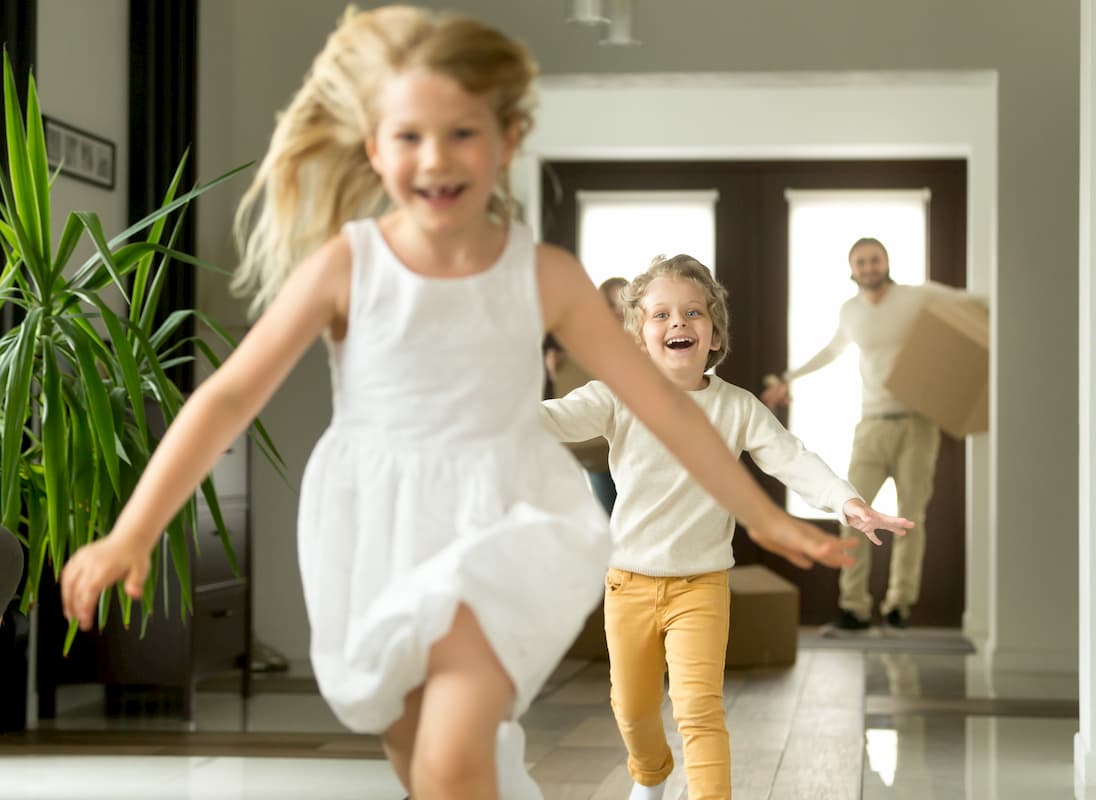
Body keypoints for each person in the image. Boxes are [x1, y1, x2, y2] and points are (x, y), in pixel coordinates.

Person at [58, 7, 858, 798]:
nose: (435, 157)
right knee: (431, 773)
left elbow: (667, 408)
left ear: (507, 140)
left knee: (450, 759)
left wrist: (763, 517)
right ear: (375, 147)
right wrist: (134, 531)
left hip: (500, 526)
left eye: (462, 134)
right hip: (381, 532)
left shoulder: (543, 274)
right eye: (409, 136)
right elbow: (227, 396)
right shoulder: (349, 265)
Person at [541, 255, 912, 800]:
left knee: (699, 710)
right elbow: (558, 418)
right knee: (632, 709)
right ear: (638, 337)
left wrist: (847, 501)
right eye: (660, 315)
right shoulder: (618, 395)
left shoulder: (737, 408)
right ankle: (651, 776)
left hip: (702, 586)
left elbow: (791, 457)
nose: (678, 324)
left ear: (714, 333)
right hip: (628, 583)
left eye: (693, 312)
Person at [761, 236, 980, 633]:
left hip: (917, 424)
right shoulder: (850, 311)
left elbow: (970, 304)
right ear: (852, 269)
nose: (868, 267)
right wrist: (788, 379)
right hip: (871, 425)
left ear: (886, 262)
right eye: (861, 262)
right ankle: (855, 607)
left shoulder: (916, 297)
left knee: (911, 518)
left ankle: (899, 606)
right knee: (853, 511)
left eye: (874, 260)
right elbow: (830, 352)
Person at [543, 276, 628, 515]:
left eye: (623, 302)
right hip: (597, 447)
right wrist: (557, 359)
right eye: (612, 304)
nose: (619, 310)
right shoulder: (584, 341)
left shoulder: (649, 341)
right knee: (609, 515)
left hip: (633, 444)